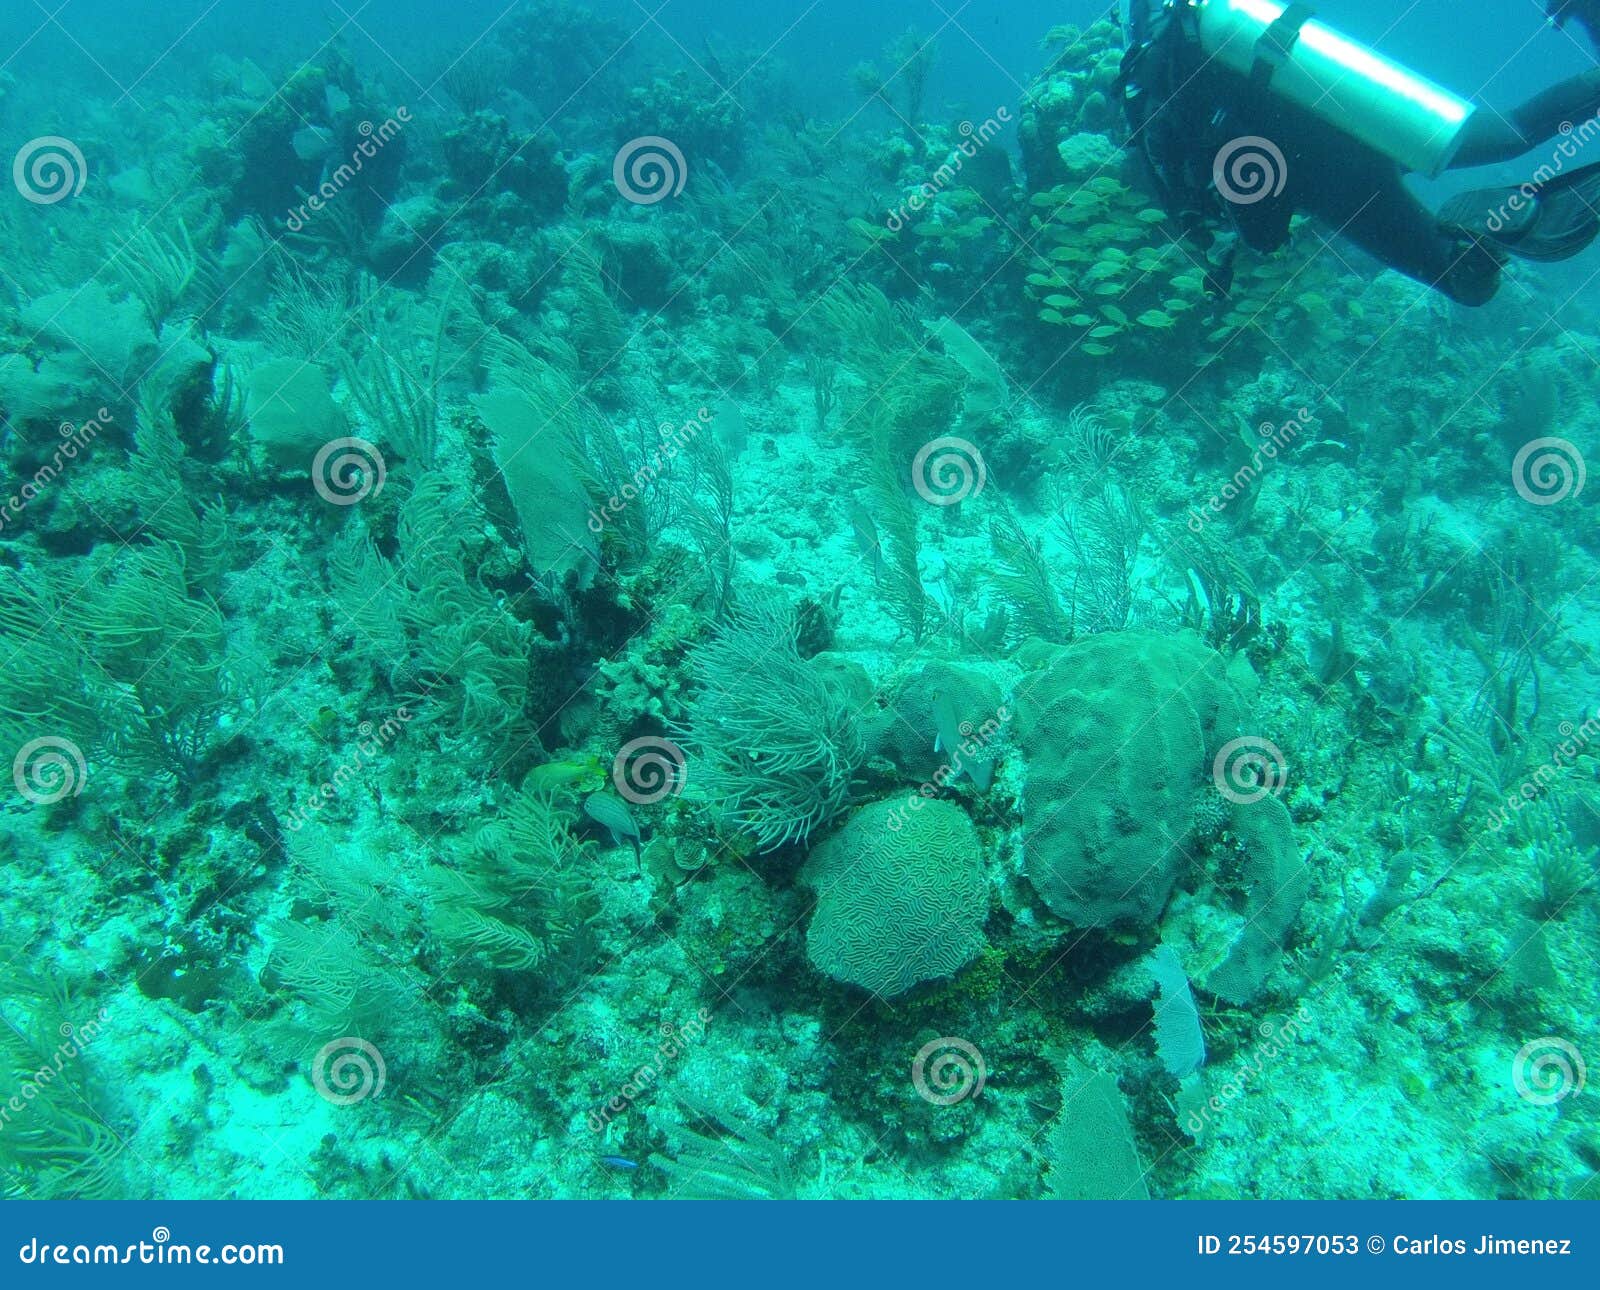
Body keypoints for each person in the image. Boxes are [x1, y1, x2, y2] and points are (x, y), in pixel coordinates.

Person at [1118, 0, 1600, 305]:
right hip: (1367, 110)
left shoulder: (1167, 102)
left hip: (1336, 186)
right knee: (1514, 130)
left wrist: (1259, 238)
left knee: (1463, 281)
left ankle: (1491, 233)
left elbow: (1242, 173)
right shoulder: (1212, 45)